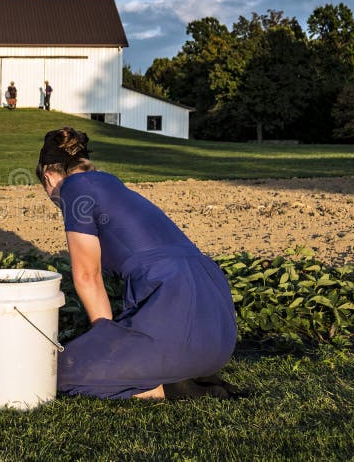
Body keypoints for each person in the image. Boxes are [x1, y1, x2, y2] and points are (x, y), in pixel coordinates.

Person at [36, 127, 239, 400]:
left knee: (52, 373)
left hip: (175, 307)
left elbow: (88, 277)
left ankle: (168, 389)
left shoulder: (74, 189)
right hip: (219, 332)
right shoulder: (112, 185)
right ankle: (185, 372)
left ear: (48, 176)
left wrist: (106, 344)